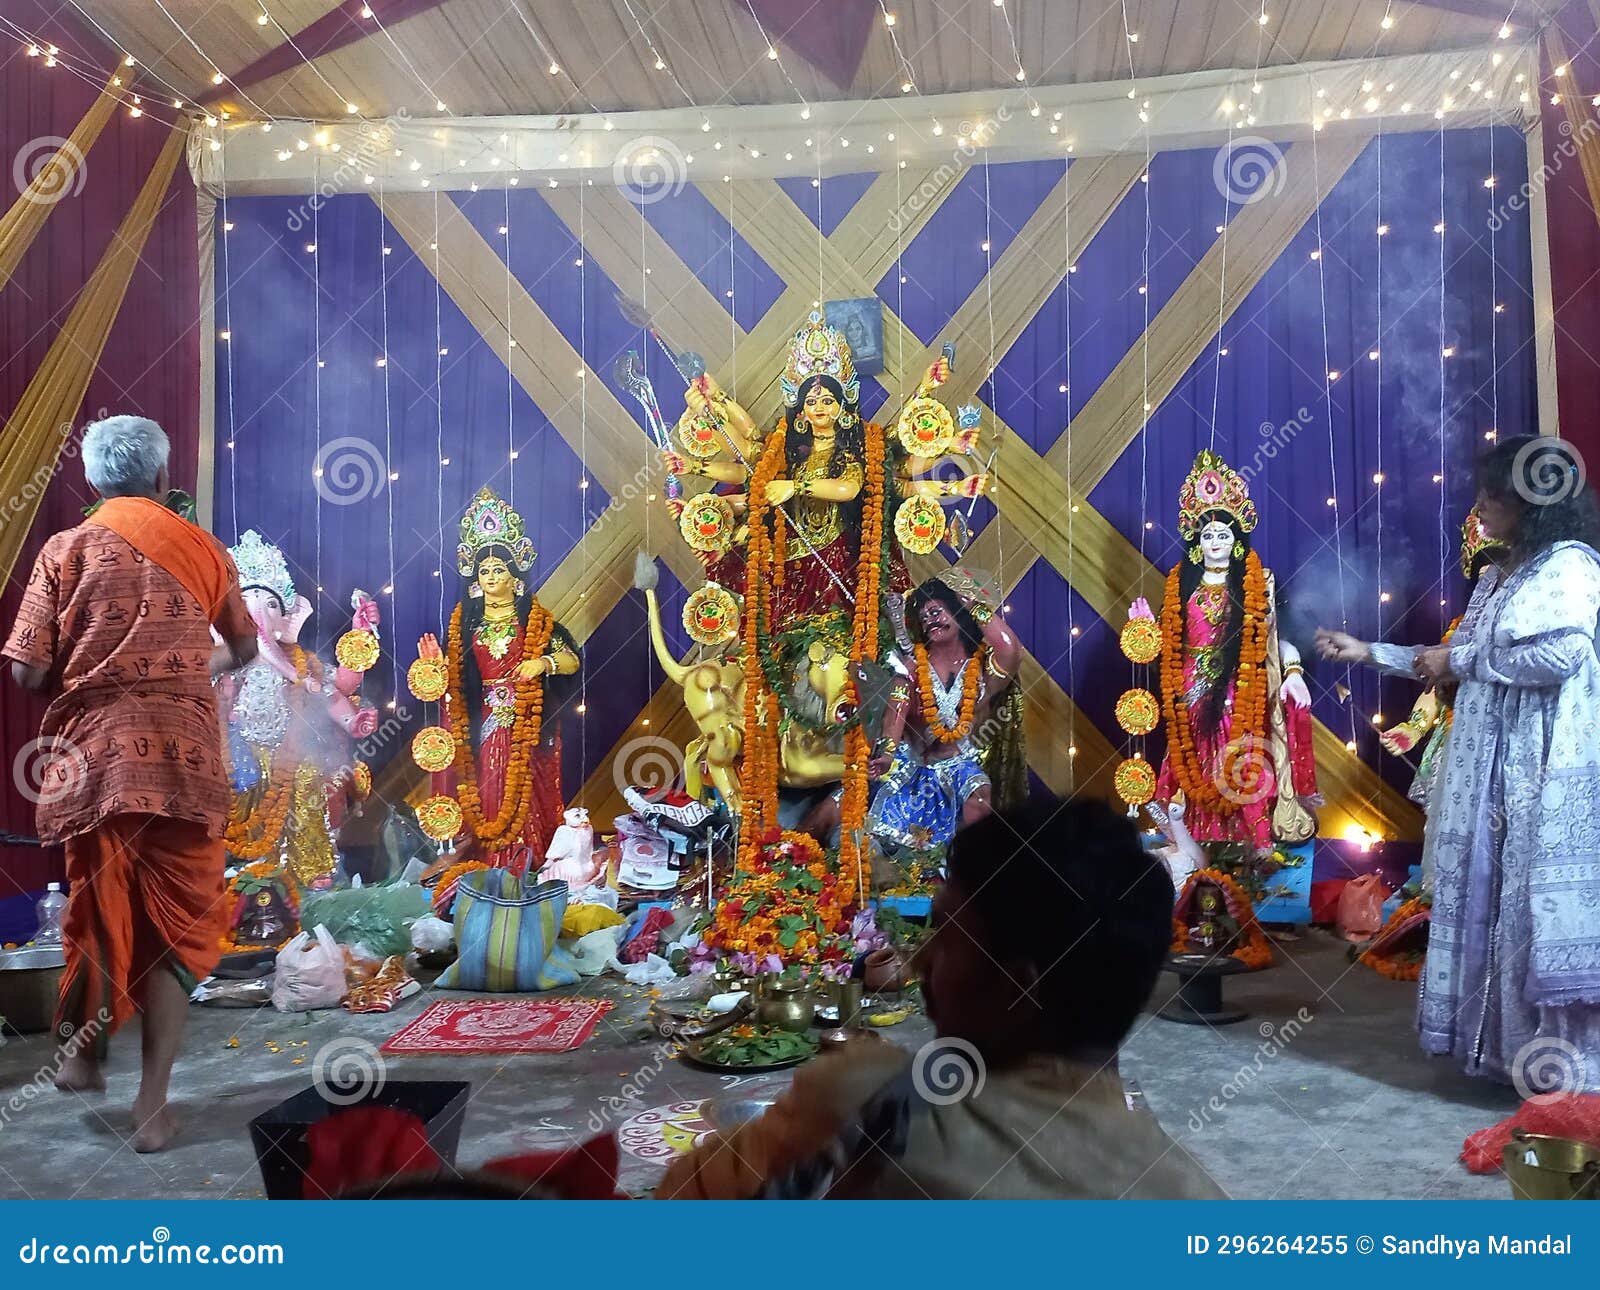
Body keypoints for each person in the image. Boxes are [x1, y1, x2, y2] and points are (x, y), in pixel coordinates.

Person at [658, 797, 1225, 1199]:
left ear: (1017, 985)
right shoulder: (1191, 1197)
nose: (922, 962)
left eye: (948, 937)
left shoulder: (870, 1097)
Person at [3, 415, 258, 1151]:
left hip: (95, 762)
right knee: (177, 926)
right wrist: (184, 669)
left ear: (93, 481)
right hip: (184, 761)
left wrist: (92, 670)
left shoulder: (64, 549)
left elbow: (26, 671)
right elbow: (244, 647)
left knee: (99, 904)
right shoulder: (203, 548)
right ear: (161, 477)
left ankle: (82, 1056)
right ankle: (152, 1104)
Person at [1317, 436, 1600, 1090]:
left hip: (1538, 768)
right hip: (1490, 771)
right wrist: (1369, 652)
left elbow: (1558, 656)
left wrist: (1461, 661)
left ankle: (1563, 1068)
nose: (1480, 507)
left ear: (1532, 502)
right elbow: (1450, 659)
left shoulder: (1569, 566)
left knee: (1527, 905)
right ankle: (1504, 1053)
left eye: (1492, 495)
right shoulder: (1502, 574)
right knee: (1491, 897)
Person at [1145, 449, 1317, 850]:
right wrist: (1144, 633)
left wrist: (1293, 673)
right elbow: (1168, 642)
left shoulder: (1260, 582)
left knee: (1241, 759)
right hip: (1188, 688)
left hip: (1240, 688)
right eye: (1208, 535)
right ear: (1196, 541)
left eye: (1224, 535)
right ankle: (1189, 840)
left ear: (1237, 540)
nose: (1216, 543)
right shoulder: (1179, 583)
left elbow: (1282, 638)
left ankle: (1248, 842)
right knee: (1188, 761)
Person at [411, 486, 580, 870]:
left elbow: (571, 660)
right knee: (485, 783)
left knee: (522, 784)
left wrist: (544, 664)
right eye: (484, 570)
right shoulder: (465, 624)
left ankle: (525, 861)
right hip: (482, 719)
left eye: (498, 570)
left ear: (514, 575)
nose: (490, 577)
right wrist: (436, 668)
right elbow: (455, 681)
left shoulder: (533, 620)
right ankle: (486, 860)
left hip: (525, 719)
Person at [859, 574, 1024, 862]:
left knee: (980, 797)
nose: (930, 621)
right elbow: (895, 713)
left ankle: (971, 868)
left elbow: (1010, 648)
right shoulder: (910, 668)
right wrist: (885, 754)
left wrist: (972, 604)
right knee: (884, 841)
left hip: (959, 763)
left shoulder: (983, 669)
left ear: (958, 614)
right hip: (914, 765)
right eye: (924, 618)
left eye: (936, 612)